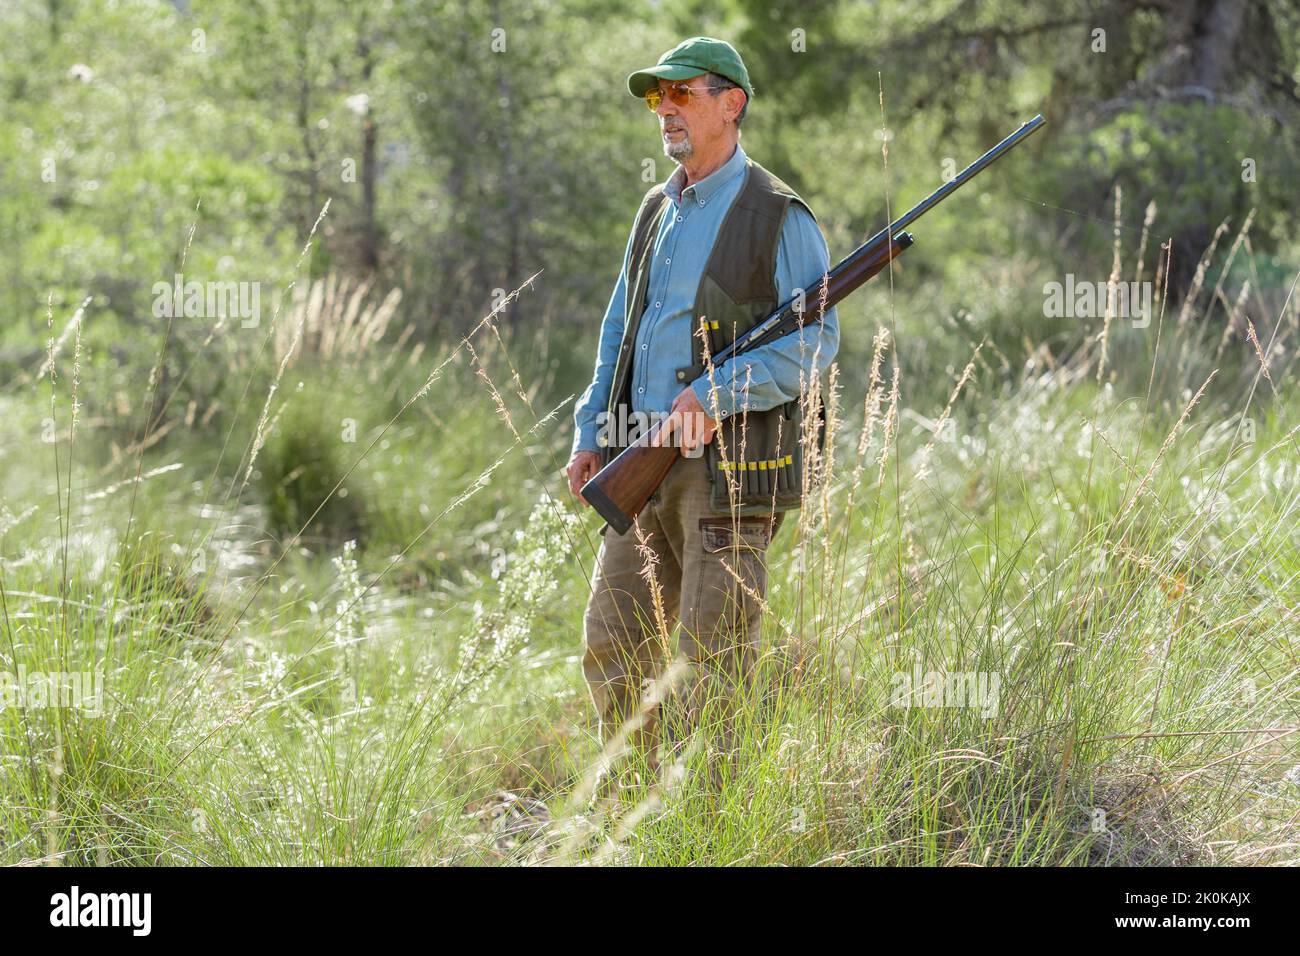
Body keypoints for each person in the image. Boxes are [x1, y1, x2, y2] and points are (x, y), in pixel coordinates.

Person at [565, 36, 839, 775]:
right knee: (611, 642)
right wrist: (593, 428)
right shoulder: (657, 208)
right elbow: (619, 325)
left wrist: (713, 396)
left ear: (732, 103)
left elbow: (815, 343)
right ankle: (628, 814)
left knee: (713, 662)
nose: (664, 110)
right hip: (636, 460)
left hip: (730, 476)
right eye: (658, 97)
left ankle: (712, 825)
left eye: (680, 93)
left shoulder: (781, 216)